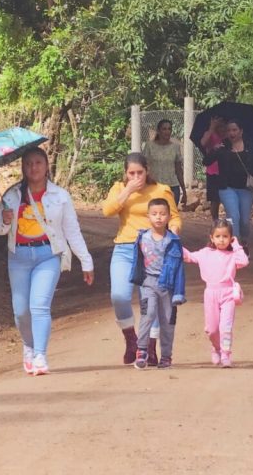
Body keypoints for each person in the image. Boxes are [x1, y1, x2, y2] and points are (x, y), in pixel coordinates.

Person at [0, 147, 94, 376]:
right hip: (18, 256)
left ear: (47, 166)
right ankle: (28, 345)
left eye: (38, 162)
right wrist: (5, 219)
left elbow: (72, 231)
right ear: (22, 167)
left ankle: (40, 354)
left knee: (39, 305)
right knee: (20, 311)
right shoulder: (12, 195)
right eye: (28, 163)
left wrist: (86, 262)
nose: (33, 168)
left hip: (48, 255)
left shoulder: (59, 196)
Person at [102, 153, 182, 366]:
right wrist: (128, 190)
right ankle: (131, 339)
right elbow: (107, 211)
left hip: (155, 249)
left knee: (152, 301)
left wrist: (171, 238)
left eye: (140, 172)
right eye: (131, 173)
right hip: (126, 248)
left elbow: (174, 217)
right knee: (119, 295)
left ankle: (150, 347)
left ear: (147, 170)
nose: (136, 176)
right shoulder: (120, 188)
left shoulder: (160, 190)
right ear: (125, 173)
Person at [183, 219, 249, 368]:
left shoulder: (233, 255)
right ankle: (216, 348)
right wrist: (174, 243)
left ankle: (226, 354)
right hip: (210, 294)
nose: (221, 240)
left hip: (228, 294)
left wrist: (236, 245)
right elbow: (188, 256)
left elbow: (244, 261)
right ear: (211, 237)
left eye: (225, 236)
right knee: (212, 329)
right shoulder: (205, 253)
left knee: (225, 327)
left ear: (231, 238)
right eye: (218, 236)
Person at [129, 198, 186, 370]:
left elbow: (179, 269)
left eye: (162, 214)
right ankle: (142, 351)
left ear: (169, 217)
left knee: (168, 321)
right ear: (148, 216)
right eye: (154, 214)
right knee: (148, 314)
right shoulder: (142, 238)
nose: (158, 217)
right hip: (148, 283)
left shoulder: (173, 241)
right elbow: (136, 261)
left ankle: (166, 356)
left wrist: (179, 292)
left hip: (167, 286)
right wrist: (136, 278)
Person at [202, 119, 253, 254]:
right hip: (227, 188)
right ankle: (236, 247)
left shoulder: (250, 147)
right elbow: (206, 161)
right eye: (228, 130)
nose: (231, 133)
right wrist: (214, 149)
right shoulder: (222, 147)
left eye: (234, 130)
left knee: (244, 220)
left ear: (241, 131)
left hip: (246, 189)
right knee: (233, 216)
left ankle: (243, 241)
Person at [143, 119, 188, 208]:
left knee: (170, 216)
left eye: (169, 129)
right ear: (158, 131)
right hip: (154, 187)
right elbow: (144, 167)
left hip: (172, 187)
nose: (167, 131)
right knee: (156, 216)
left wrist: (184, 191)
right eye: (164, 129)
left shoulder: (175, 147)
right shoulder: (149, 146)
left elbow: (179, 170)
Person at [200, 116, 226, 222]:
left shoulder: (228, 135)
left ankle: (230, 223)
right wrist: (211, 128)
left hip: (226, 171)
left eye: (222, 123)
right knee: (215, 200)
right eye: (218, 124)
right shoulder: (210, 134)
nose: (220, 126)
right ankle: (215, 221)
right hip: (212, 171)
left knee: (227, 198)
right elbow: (202, 143)